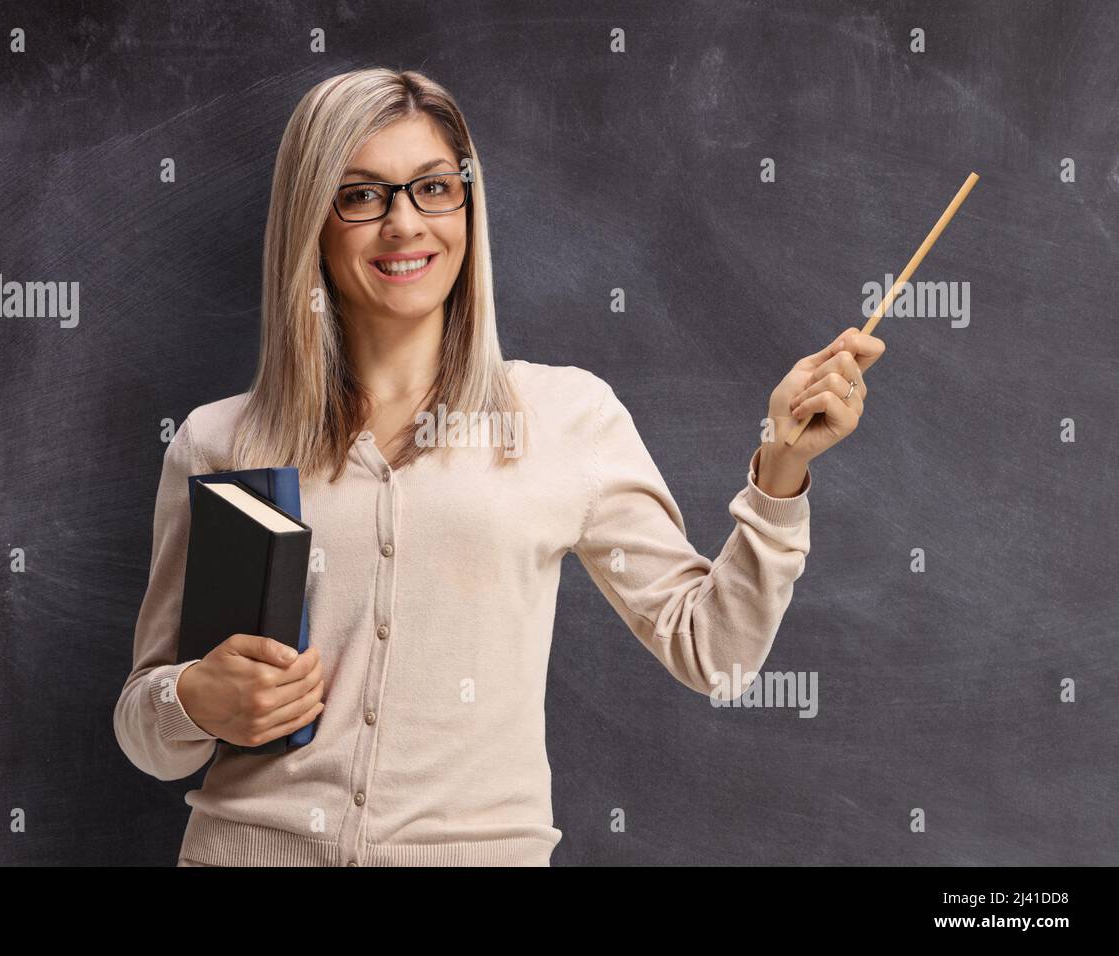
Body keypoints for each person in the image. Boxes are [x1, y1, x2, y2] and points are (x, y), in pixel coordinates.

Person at [113, 67, 883, 867]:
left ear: (469, 207)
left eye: (434, 188)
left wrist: (781, 467)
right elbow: (147, 730)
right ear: (312, 217)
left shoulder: (564, 420)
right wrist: (193, 701)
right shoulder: (219, 441)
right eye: (362, 195)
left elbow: (713, 654)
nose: (404, 224)